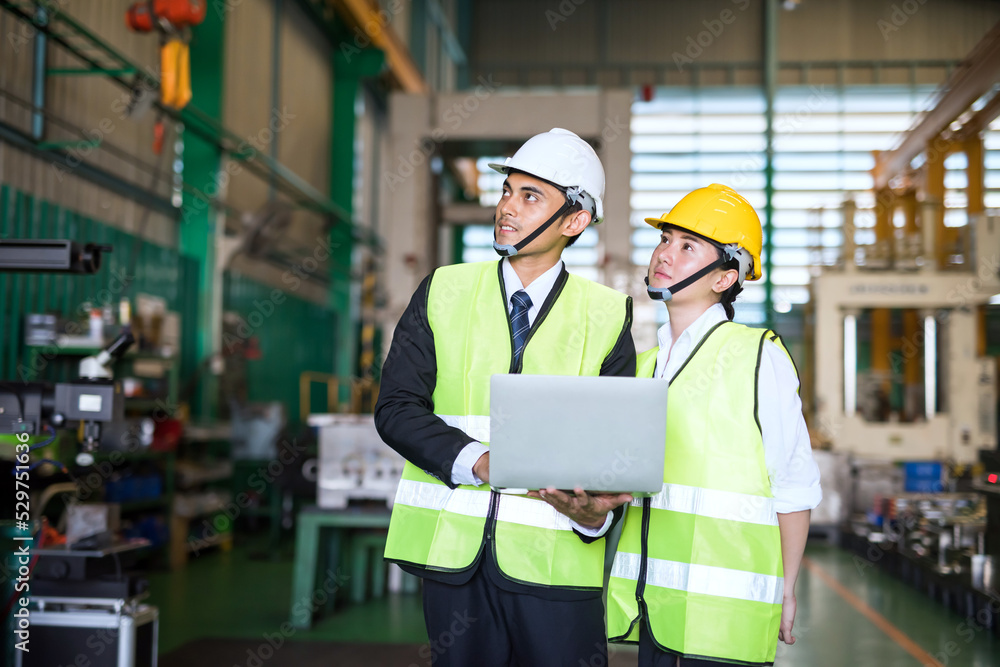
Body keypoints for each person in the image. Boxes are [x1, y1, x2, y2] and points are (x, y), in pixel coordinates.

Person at [376, 128, 636, 666]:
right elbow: (396, 409)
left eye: (529, 195)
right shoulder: (443, 290)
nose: (506, 208)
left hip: (558, 566)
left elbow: (617, 448)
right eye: (506, 191)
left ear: (575, 220)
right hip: (455, 563)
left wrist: (594, 516)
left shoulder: (608, 315)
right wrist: (482, 462)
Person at [605, 184, 822, 666]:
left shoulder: (758, 355)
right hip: (653, 612)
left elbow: (794, 484)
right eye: (665, 240)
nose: (665, 254)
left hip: (728, 618)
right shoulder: (643, 368)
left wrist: (787, 589)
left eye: (687, 246)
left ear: (725, 277)